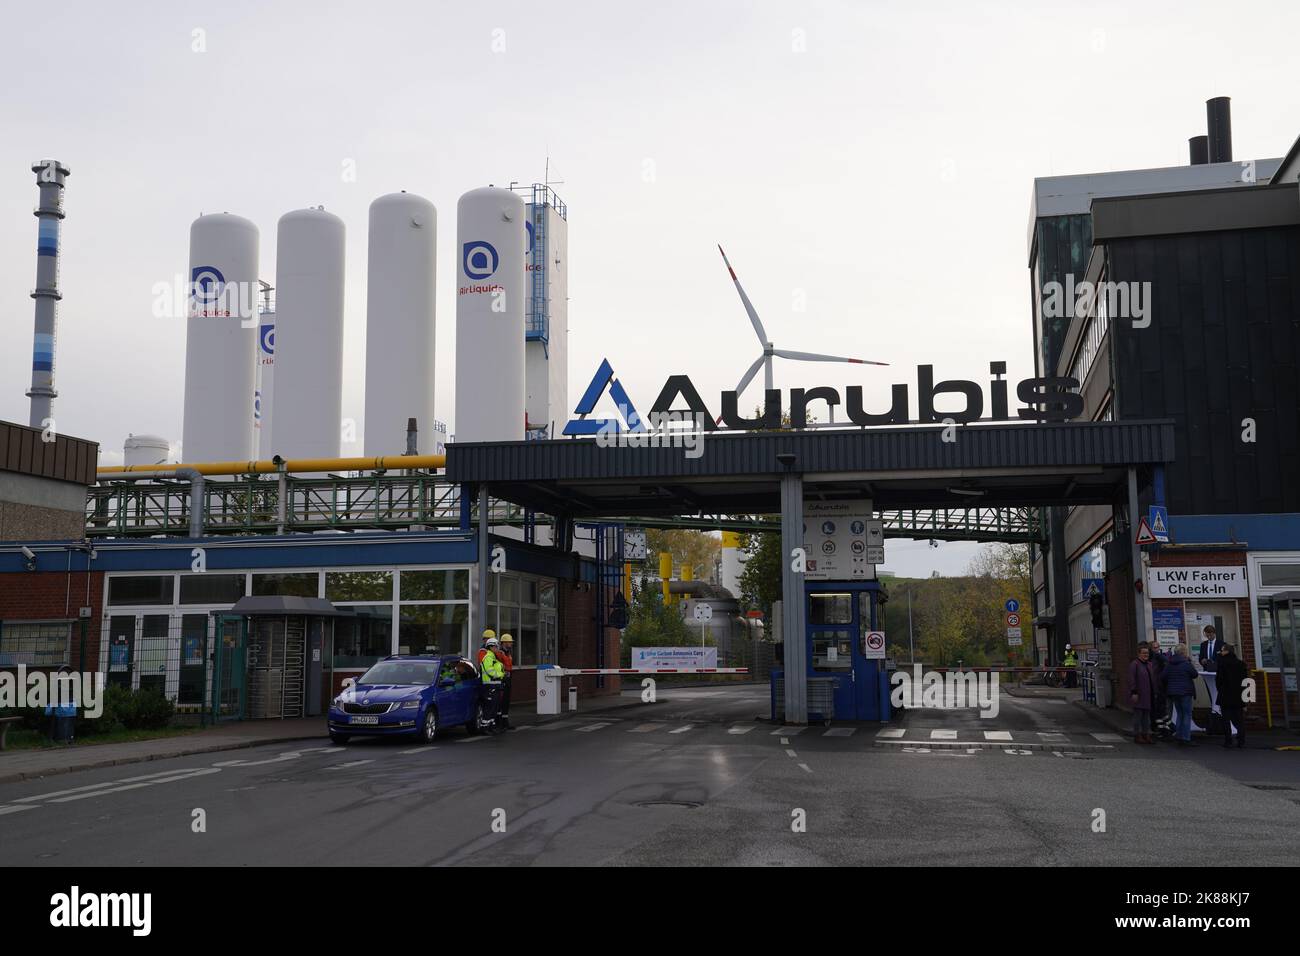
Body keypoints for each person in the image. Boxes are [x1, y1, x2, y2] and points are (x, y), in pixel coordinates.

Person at [1162, 643, 1200, 747]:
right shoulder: (1186, 663)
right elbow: (1195, 674)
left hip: (1173, 692)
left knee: (1179, 714)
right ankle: (1186, 738)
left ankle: (1178, 736)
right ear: (1184, 652)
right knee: (1187, 715)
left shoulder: (1169, 663)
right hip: (1185, 692)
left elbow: (1163, 676)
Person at [1215, 642, 1248, 749]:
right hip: (1238, 695)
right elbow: (1245, 681)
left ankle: (1228, 740)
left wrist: (1220, 690)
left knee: (1226, 719)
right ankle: (1241, 740)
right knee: (1239, 719)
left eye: (1222, 650)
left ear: (1227, 651)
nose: (1221, 652)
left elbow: (1218, 680)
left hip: (1225, 694)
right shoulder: (1241, 664)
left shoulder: (1222, 664)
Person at [1127, 642, 1157, 744]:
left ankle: (1146, 734)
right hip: (1139, 694)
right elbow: (1131, 679)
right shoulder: (1134, 664)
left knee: (1146, 717)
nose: (1146, 655)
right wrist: (1134, 692)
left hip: (1148, 695)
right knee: (1138, 716)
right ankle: (1137, 735)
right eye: (1144, 653)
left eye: (1147, 653)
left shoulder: (1149, 664)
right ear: (1139, 654)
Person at [478, 636, 506, 733]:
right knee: (489, 707)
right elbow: (489, 671)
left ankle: (490, 725)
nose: (497, 648)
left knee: (494, 707)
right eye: (496, 647)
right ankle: (484, 727)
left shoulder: (493, 657)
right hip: (490, 686)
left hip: (495, 685)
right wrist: (501, 675)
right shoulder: (488, 657)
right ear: (491, 647)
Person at [1148, 641, 1172, 738]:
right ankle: (1163, 729)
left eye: (1158, 647)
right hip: (1157, 688)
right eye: (1154, 647)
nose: (1157, 649)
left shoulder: (1158, 658)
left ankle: (1163, 730)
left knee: (1160, 710)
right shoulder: (1156, 659)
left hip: (1159, 688)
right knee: (1159, 711)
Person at [497, 632, 515, 729]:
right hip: (502, 678)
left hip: (508, 677)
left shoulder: (508, 653)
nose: (511, 644)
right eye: (509, 642)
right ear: (504, 643)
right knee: (501, 701)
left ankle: (505, 722)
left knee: (506, 701)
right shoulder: (500, 653)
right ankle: (500, 722)